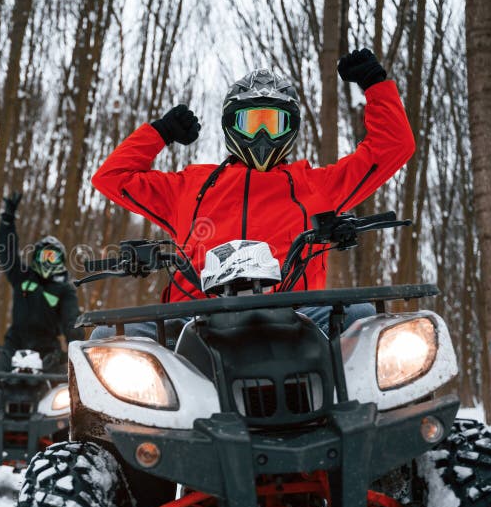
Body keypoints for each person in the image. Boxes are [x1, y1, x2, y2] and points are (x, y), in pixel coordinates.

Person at [90, 49, 415, 338]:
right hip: (193, 318)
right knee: (107, 340)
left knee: (368, 323)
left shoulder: (316, 185)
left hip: (298, 316)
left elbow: (392, 148)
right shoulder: (190, 186)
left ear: (291, 129)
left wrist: (375, 86)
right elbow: (113, 177)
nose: (262, 134)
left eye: (274, 123)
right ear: (232, 126)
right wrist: (159, 133)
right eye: (250, 122)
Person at [0, 192, 84, 371]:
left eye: (53, 258)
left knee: (62, 392)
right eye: (44, 256)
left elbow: (71, 321)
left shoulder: (65, 290)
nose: (47, 262)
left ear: (61, 261)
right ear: (35, 258)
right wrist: (7, 221)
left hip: (48, 349)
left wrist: (76, 349)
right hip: (14, 345)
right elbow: (7, 255)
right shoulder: (22, 276)